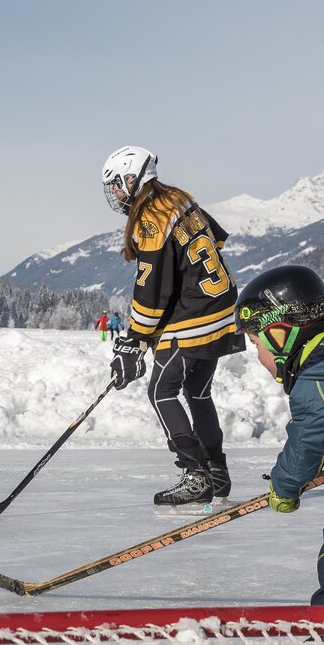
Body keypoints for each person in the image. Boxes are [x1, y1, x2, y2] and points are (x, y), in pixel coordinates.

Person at [101, 145, 243, 508]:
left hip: (195, 317)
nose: (116, 193)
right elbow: (216, 240)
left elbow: (151, 290)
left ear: (132, 178)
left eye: (117, 184)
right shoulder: (179, 198)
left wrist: (135, 339)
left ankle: (195, 474)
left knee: (162, 392)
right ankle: (217, 473)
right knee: (197, 393)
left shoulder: (150, 217)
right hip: (222, 309)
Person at [236, 264, 324, 645]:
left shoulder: (320, 374)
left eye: (256, 343)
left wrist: (284, 490)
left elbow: (305, 451)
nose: (259, 357)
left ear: (280, 333)